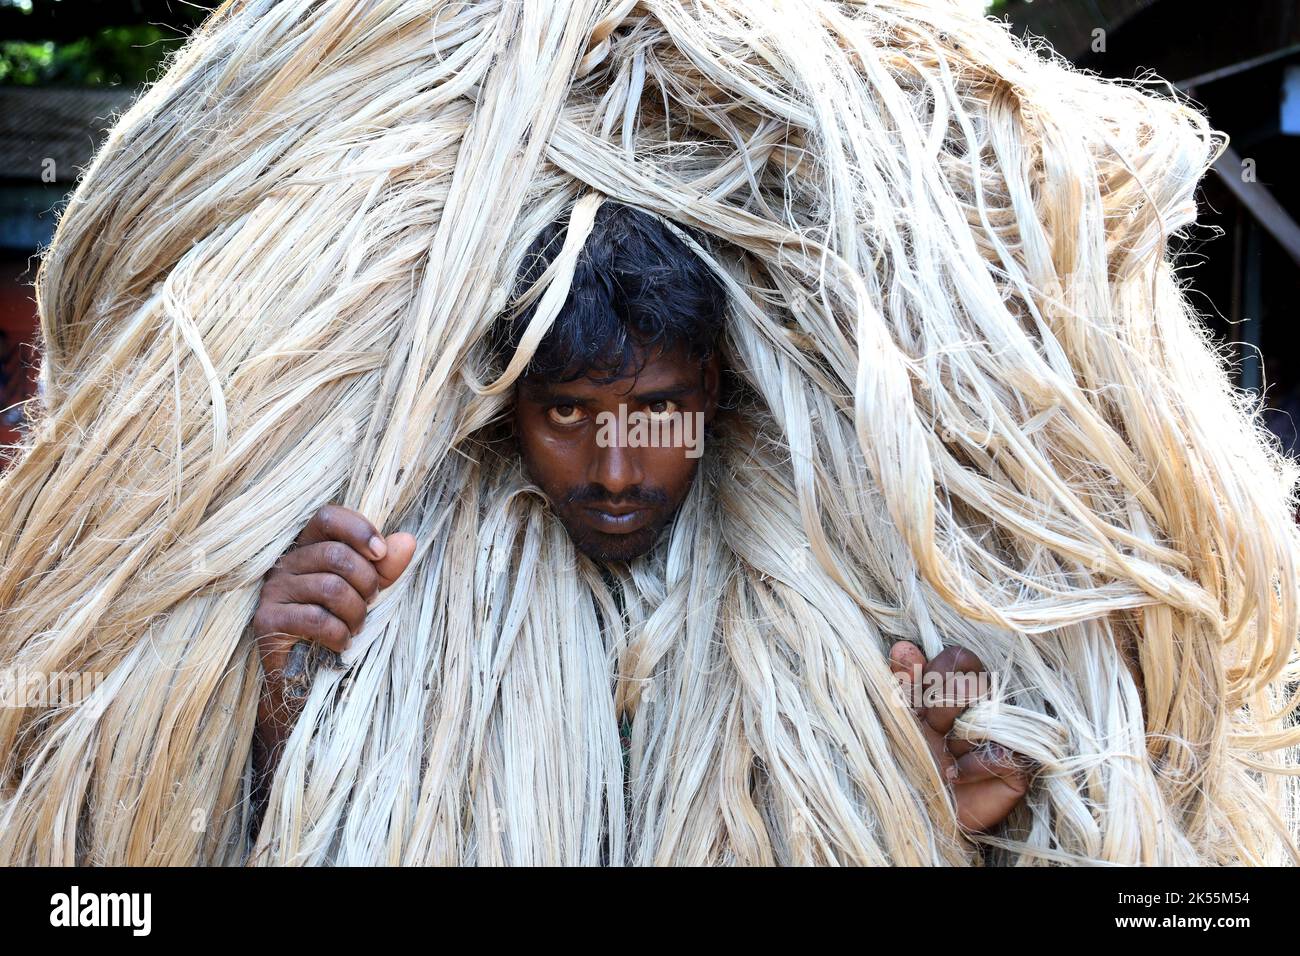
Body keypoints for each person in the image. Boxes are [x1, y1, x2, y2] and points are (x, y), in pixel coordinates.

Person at [250, 202, 1033, 840]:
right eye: (566, 411)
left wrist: (915, 834)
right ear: (507, 409)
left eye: (657, 410)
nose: (616, 473)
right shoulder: (431, 599)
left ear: (713, 390)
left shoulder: (821, 604)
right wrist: (284, 697)